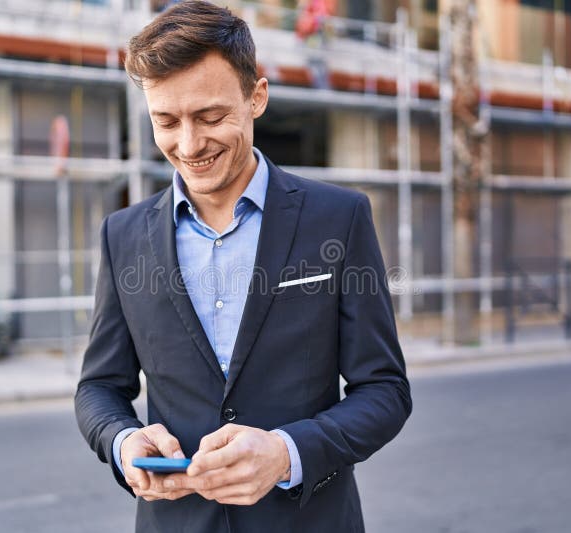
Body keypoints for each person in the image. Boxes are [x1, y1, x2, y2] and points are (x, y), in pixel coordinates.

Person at [74, 1, 412, 531]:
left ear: (257, 96)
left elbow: (385, 389)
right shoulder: (122, 236)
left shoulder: (339, 218)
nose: (189, 145)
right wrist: (123, 441)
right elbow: (98, 388)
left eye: (210, 117)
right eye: (166, 121)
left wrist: (286, 452)